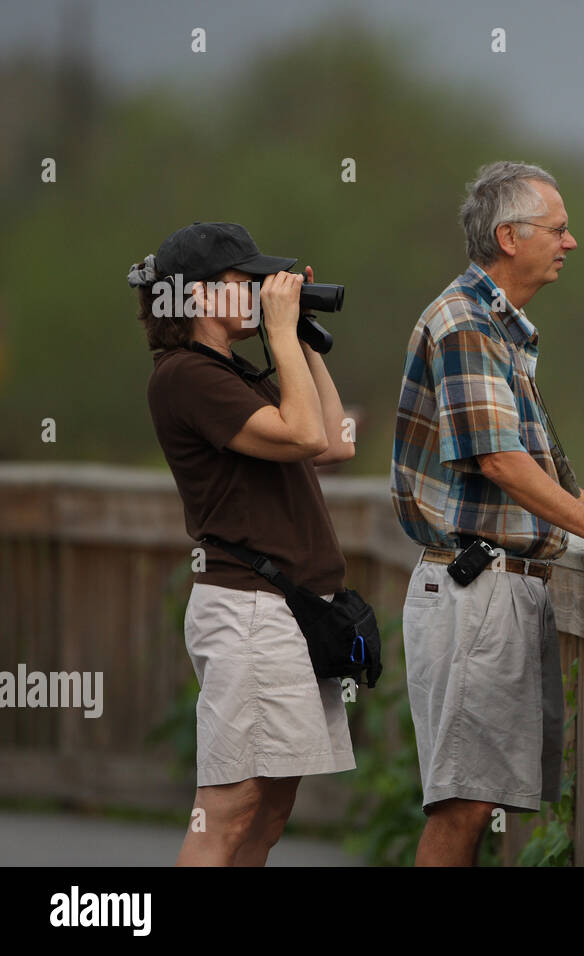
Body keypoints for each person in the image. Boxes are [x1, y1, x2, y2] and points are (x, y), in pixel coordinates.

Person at [391, 161, 584, 866]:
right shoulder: (465, 326)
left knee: (476, 799)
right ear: (509, 236)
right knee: (462, 807)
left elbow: (543, 475)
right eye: (558, 230)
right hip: (474, 592)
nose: (571, 242)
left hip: (492, 590)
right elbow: (499, 461)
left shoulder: (498, 328)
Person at [129, 221, 356, 865]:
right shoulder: (184, 377)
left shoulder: (236, 374)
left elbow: (335, 439)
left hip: (291, 612)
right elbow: (305, 435)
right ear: (197, 298)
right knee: (227, 810)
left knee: (272, 807)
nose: (260, 291)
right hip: (249, 612)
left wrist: (304, 339)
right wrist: (281, 332)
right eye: (243, 281)